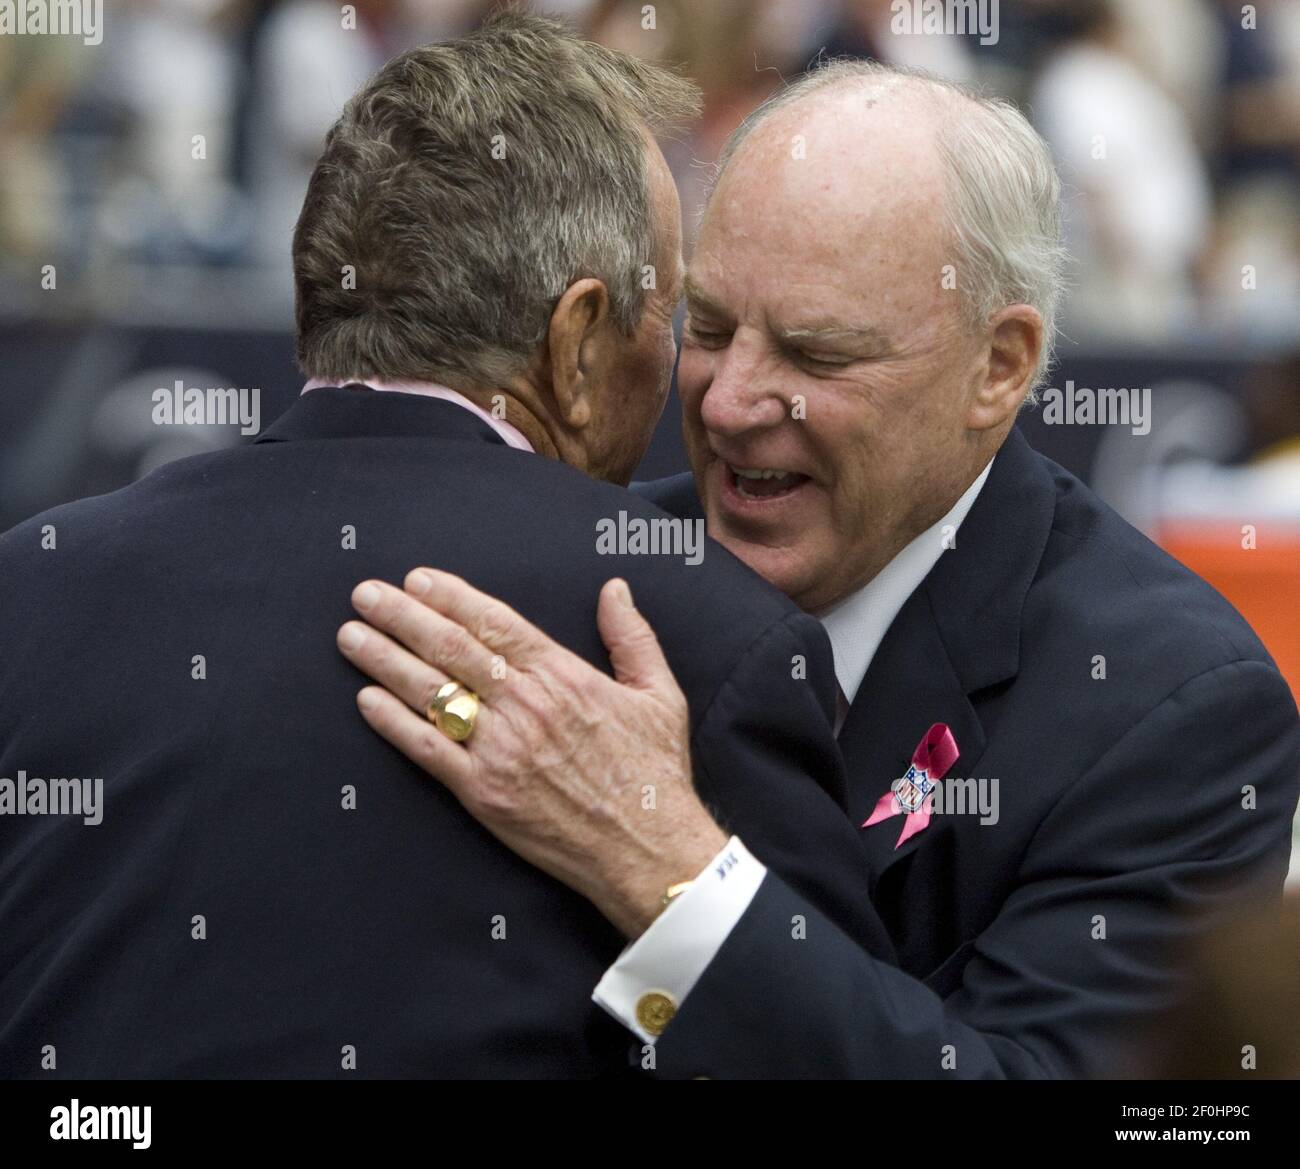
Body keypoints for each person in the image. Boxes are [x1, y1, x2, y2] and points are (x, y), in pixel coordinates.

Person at [339, 59, 1300, 1078]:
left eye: (814, 355)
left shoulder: (1170, 709)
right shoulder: (587, 571)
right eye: (706, 329)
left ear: (999, 365)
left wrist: (664, 868)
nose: (726, 401)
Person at [0, 13, 883, 1078]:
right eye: (676, 315)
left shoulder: (32, 585)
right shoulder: (694, 634)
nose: (694, 377)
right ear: (574, 341)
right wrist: (668, 869)